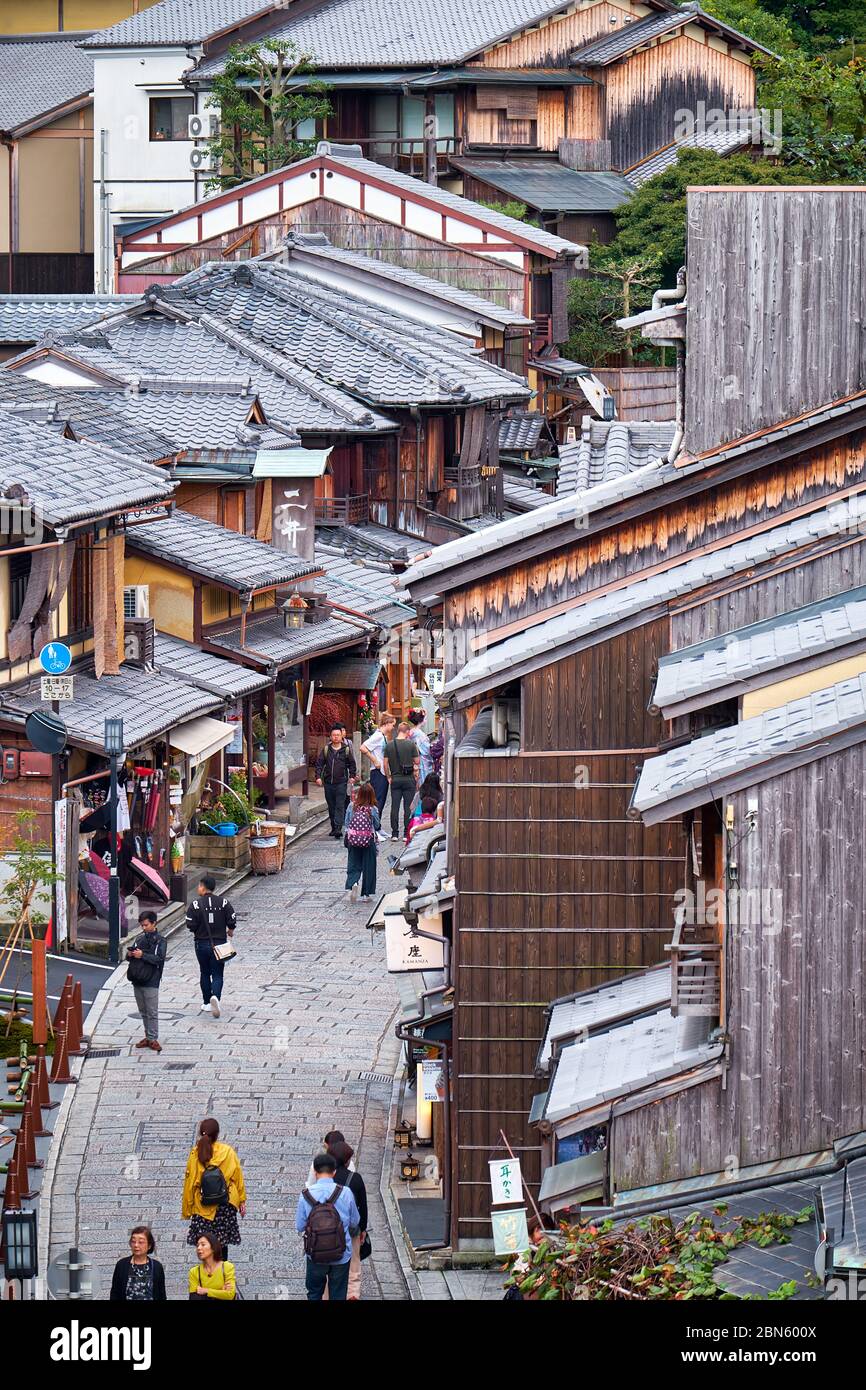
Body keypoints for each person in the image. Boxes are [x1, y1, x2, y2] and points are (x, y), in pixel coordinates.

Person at [296, 1152, 360, 1302]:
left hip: (315, 1254)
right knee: (338, 1294)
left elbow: (299, 1226)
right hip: (341, 1253)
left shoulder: (306, 1195)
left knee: (314, 1293)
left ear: (315, 1172)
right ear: (334, 1172)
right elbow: (354, 1222)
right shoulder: (345, 1193)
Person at [182, 1117, 246, 1261]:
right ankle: (222, 1271)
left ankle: (208, 1273)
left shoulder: (195, 1154)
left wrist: (188, 1210)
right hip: (225, 1204)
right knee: (222, 1244)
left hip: (203, 1206)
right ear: (217, 1134)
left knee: (205, 1244)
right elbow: (238, 1178)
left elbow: (190, 1183)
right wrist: (242, 1201)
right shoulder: (228, 1152)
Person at [185, 875, 237, 1017]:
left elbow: (190, 924)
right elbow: (232, 919)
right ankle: (216, 997)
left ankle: (207, 1002)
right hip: (219, 944)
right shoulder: (223, 902)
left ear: (202, 887)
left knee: (204, 972)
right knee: (218, 973)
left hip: (201, 943)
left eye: (199, 886)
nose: (198, 889)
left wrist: (197, 929)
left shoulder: (196, 904)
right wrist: (230, 929)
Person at [330, 1140, 368, 1301]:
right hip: (350, 1230)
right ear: (347, 1160)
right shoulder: (356, 1179)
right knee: (353, 1268)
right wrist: (362, 1229)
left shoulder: (325, 1180)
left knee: (328, 1271)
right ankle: (352, 1294)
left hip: (328, 1229)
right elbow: (363, 1207)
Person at [126, 909, 167, 1053]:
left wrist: (142, 955)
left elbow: (159, 959)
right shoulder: (139, 939)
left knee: (152, 1011)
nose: (144, 928)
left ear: (154, 923)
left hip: (152, 979)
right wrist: (130, 954)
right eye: (142, 926)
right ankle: (148, 1036)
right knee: (143, 1011)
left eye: (146, 925)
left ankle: (153, 1038)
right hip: (137, 978)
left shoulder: (160, 941)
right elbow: (129, 957)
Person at [315, 724, 357, 838]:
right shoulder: (326, 749)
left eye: (338, 735)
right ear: (330, 736)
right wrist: (318, 777)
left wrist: (352, 776)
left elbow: (352, 764)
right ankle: (333, 827)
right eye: (334, 735)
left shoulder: (346, 749)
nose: (336, 737)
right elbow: (319, 764)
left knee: (339, 805)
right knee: (331, 805)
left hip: (341, 782)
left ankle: (338, 828)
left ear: (341, 735)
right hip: (328, 783)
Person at [343, 781, 380, 903]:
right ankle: (366, 894)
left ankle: (352, 884)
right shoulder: (373, 809)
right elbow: (377, 825)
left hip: (353, 840)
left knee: (353, 864)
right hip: (368, 841)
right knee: (369, 866)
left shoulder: (351, 806)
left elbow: (347, 823)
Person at [109, 1225, 167, 1302]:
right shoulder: (121, 1265)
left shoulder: (157, 1267)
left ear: (149, 1245)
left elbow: (161, 1295)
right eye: (133, 1241)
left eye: (141, 1242)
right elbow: (114, 1294)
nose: (136, 1245)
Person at [384, 721, 420, 840]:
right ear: (407, 732)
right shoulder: (411, 744)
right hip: (409, 779)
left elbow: (385, 763)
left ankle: (394, 834)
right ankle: (406, 833)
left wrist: (388, 776)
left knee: (394, 806)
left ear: (398, 730)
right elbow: (417, 761)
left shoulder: (389, 745)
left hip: (395, 779)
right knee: (407, 807)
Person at [360, 711, 396, 815]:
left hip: (381, 772)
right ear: (387, 723)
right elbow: (363, 747)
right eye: (392, 725)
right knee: (378, 801)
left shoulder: (382, 736)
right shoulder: (378, 736)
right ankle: (374, 826)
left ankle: (376, 825)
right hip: (378, 772)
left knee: (380, 800)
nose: (393, 727)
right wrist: (375, 760)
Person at [188, 1233, 236, 1301]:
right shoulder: (194, 1272)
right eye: (197, 1245)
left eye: (203, 1244)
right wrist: (221, 1292)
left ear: (213, 1247)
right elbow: (194, 1298)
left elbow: (230, 1295)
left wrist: (206, 1291)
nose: (198, 1248)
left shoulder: (227, 1267)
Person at [408, 709, 434, 781]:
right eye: (425, 718)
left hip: (412, 760)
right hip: (422, 761)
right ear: (421, 720)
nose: (426, 720)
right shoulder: (420, 735)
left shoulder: (411, 732)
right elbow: (426, 751)